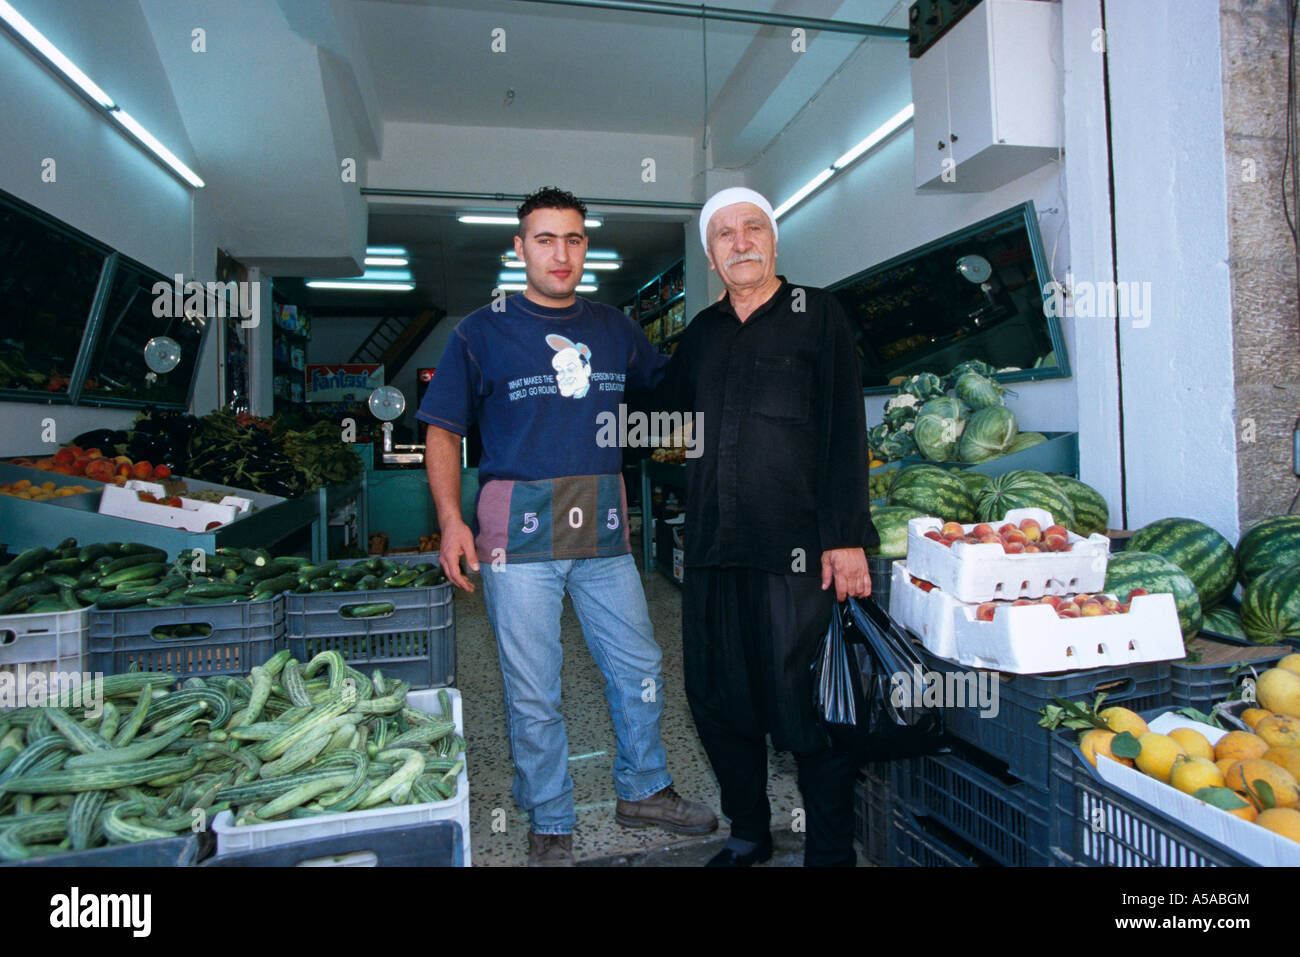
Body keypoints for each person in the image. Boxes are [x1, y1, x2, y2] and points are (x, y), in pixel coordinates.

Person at [417, 186, 716, 867]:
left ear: (587, 246)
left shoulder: (615, 328)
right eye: (545, 239)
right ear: (519, 248)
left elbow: (671, 386)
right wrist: (449, 521)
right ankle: (550, 814)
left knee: (639, 665)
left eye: (574, 238)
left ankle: (644, 787)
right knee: (533, 684)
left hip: (604, 533)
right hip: (514, 532)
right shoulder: (481, 330)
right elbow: (442, 430)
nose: (561, 252)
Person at [656, 186, 878, 867]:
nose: (741, 241)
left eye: (754, 227)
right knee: (718, 700)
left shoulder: (819, 315)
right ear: (711, 256)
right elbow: (660, 419)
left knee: (808, 703)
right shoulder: (700, 336)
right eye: (725, 234)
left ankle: (832, 849)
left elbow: (845, 428)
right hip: (717, 552)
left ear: (774, 241)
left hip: (799, 557)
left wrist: (846, 537)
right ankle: (748, 830)